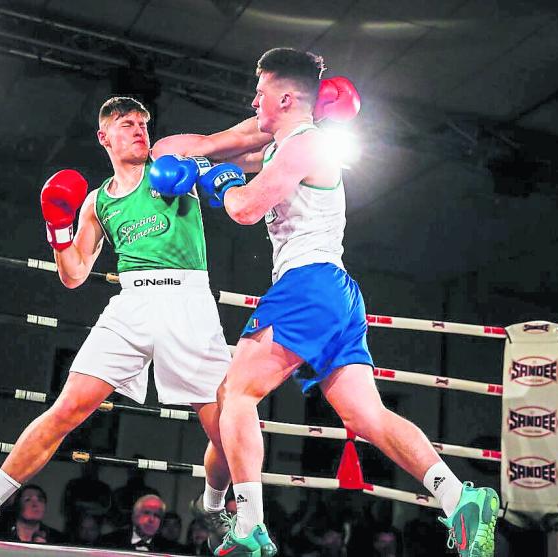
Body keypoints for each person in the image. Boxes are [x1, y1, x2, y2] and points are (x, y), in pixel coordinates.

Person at [152, 47, 499, 557]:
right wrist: (174, 161)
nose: (254, 100)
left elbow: (246, 209)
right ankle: (459, 496)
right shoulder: (279, 145)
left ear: (287, 97)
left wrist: (213, 181)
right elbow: (192, 145)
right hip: (333, 292)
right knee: (367, 418)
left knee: (236, 396)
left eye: (261, 91)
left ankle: (247, 525)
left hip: (307, 285)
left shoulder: (305, 146)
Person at [0, 96, 270, 540]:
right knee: (66, 410)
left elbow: (237, 141)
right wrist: (58, 231)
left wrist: (290, 127)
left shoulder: (172, 154)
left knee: (227, 430)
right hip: (130, 305)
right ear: (105, 137)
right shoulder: (98, 202)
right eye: (127, 123)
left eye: (143, 122)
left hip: (188, 302)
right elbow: (74, 274)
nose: (140, 129)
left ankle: (212, 504)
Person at [100, 494, 183, 553]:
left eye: (157, 515)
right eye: (147, 513)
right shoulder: (108, 542)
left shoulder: (171, 549)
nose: (151, 519)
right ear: (134, 516)